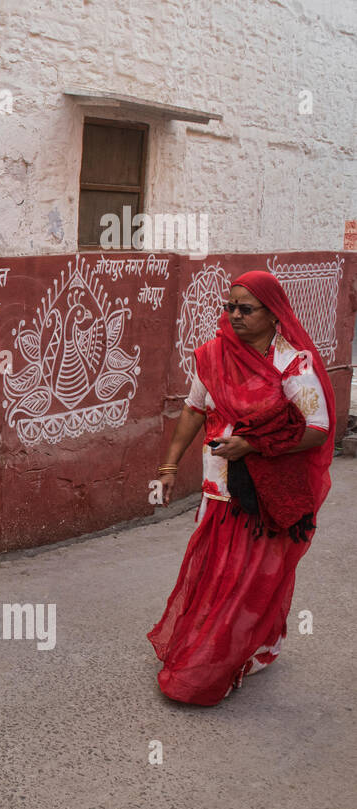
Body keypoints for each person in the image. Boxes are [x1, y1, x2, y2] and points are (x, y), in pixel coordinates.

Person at [147, 270, 335, 706]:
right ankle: (209, 649)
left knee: (250, 583)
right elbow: (194, 410)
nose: (234, 315)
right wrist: (169, 466)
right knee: (214, 576)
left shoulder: (293, 365)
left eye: (245, 309)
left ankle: (239, 655)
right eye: (229, 307)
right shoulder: (214, 356)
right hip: (218, 490)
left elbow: (318, 429)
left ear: (274, 314)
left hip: (264, 495)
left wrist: (251, 444)